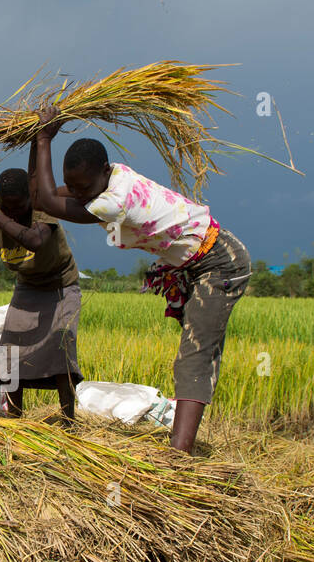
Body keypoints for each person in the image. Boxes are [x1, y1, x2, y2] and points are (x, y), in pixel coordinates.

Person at [29, 107, 250, 454]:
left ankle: (178, 456)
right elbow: (42, 195)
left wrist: (43, 138)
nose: (78, 193)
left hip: (220, 263)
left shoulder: (115, 202)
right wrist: (37, 142)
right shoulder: (112, 176)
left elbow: (44, 198)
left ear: (103, 172)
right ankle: (182, 442)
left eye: (83, 188)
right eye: (73, 187)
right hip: (192, 263)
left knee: (195, 353)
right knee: (201, 347)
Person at [0, 148, 82, 421]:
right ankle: (15, 420)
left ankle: (69, 421)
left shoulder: (41, 209)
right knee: (10, 353)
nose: (12, 213)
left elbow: (34, 241)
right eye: (6, 207)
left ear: (30, 198)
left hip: (60, 285)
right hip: (29, 286)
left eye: (18, 207)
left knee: (61, 348)